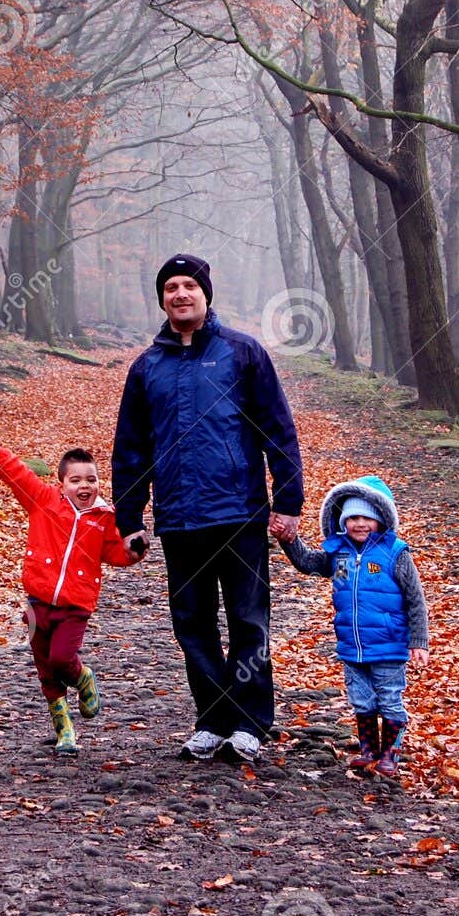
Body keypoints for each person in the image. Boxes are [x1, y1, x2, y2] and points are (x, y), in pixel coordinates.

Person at [111, 253, 305, 764]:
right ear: (162, 300)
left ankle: (250, 721)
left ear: (205, 293)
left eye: (188, 286)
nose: (180, 294)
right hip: (178, 518)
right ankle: (213, 719)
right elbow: (130, 449)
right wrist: (129, 519)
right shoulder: (146, 368)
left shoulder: (243, 354)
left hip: (239, 514)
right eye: (170, 287)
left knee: (247, 620)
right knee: (192, 623)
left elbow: (278, 430)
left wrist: (288, 501)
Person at [0, 418, 142, 755]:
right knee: (46, 670)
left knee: (61, 658)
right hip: (37, 602)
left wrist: (133, 552)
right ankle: (64, 730)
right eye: (75, 480)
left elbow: (116, 552)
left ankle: (83, 676)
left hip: (75, 605)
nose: (84, 486)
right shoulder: (43, 501)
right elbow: (18, 474)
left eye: (92, 479)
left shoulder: (104, 518)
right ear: (62, 484)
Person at [280, 475, 430, 777]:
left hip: (388, 644)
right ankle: (368, 750)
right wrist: (289, 540)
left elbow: (415, 599)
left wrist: (419, 641)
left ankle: (390, 753)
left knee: (389, 698)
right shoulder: (340, 554)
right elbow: (307, 562)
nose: (359, 524)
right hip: (351, 645)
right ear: (342, 521)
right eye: (352, 518)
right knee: (361, 699)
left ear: (380, 520)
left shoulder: (395, 554)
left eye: (366, 518)